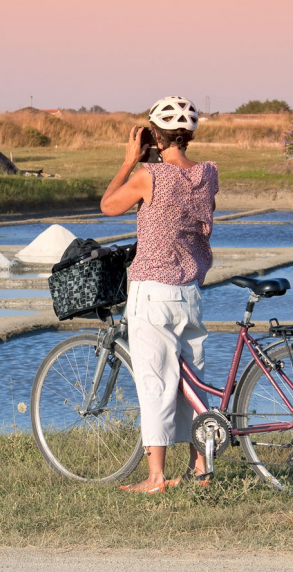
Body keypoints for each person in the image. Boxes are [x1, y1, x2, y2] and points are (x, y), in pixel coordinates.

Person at [99, 96, 219, 494]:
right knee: (193, 383)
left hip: (152, 293)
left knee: (156, 383)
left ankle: (155, 478)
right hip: (190, 291)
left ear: (154, 134)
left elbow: (108, 205)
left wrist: (131, 158)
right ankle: (200, 468)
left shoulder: (149, 176)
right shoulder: (207, 174)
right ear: (187, 135)